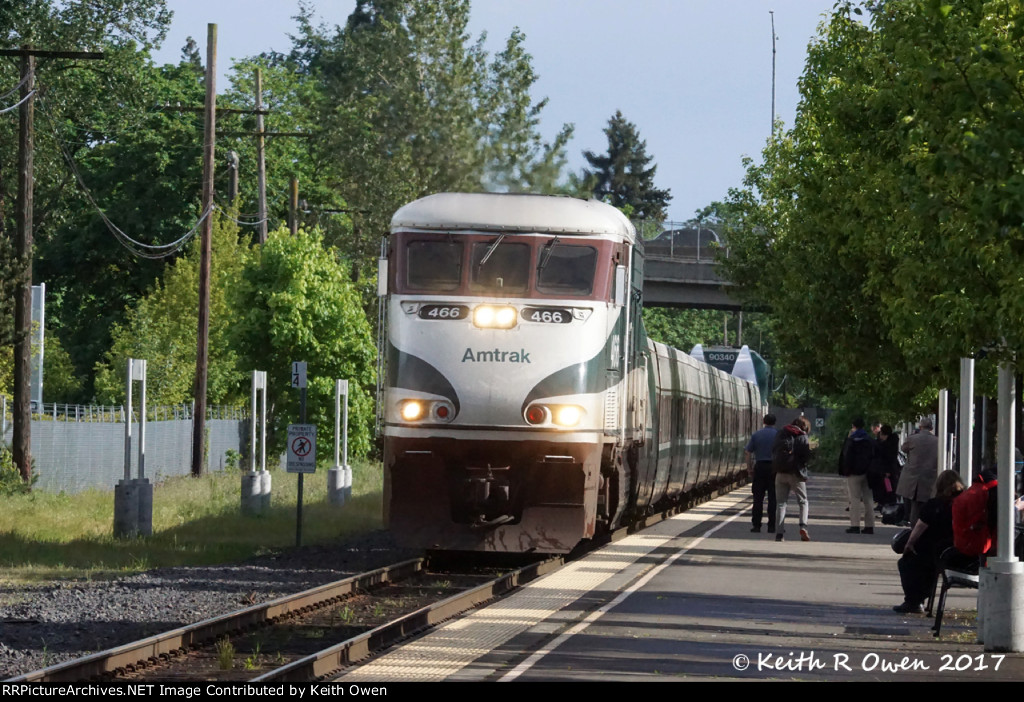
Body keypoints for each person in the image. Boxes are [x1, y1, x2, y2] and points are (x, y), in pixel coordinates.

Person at [893, 470, 965, 614]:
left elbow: (920, 526)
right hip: (959, 552)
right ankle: (919, 599)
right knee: (928, 565)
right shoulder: (964, 503)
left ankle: (914, 601)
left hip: (935, 551)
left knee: (907, 562)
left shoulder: (935, 505)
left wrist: (909, 544)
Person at [773, 416, 812, 542]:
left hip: (780, 473)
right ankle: (803, 526)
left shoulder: (781, 433)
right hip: (796, 473)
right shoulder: (802, 436)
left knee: (781, 503)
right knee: (803, 501)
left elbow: (773, 450)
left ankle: (779, 534)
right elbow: (806, 457)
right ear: (804, 426)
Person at [897, 417, 939, 526]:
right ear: (931, 428)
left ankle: (912, 524)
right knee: (925, 503)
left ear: (920, 427)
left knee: (912, 503)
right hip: (930, 476)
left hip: (912, 476)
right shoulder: (938, 441)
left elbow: (903, 449)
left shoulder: (912, 439)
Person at [839, 417, 876, 534]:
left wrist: (846, 470)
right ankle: (869, 526)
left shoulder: (851, 440)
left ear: (853, 426)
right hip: (868, 473)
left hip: (854, 473)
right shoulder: (870, 440)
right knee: (868, 499)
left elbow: (846, 456)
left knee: (854, 499)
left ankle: (855, 525)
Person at [745, 414, 779, 533]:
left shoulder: (756, 435)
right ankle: (772, 526)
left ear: (764, 422)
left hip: (760, 467)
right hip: (774, 468)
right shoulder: (778, 435)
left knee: (758, 498)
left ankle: (756, 525)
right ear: (774, 422)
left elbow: (748, 452)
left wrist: (749, 468)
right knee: (773, 498)